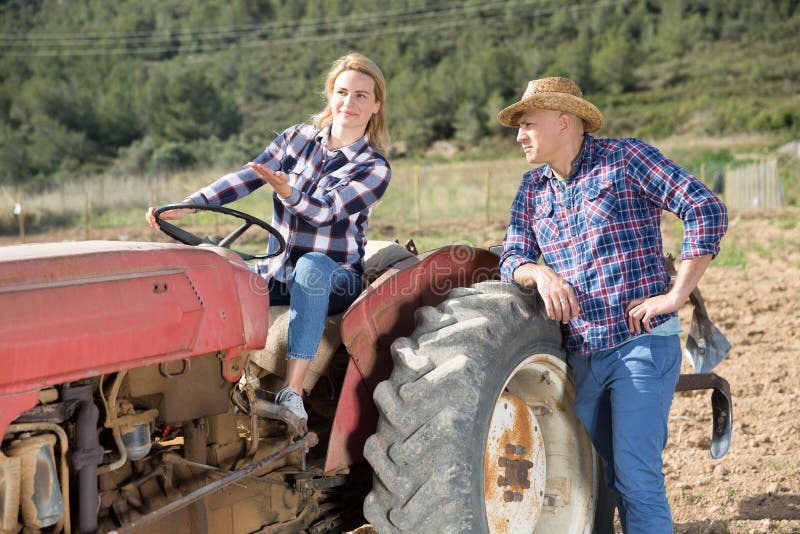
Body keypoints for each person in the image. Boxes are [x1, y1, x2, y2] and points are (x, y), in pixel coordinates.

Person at [496, 77, 727, 533]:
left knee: (638, 478)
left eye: (527, 124)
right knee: (603, 481)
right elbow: (512, 257)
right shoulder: (532, 188)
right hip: (582, 354)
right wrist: (539, 272)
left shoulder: (626, 159)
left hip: (640, 343)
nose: (519, 136)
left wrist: (676, 295)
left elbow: (704, 208)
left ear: (564, 121)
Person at [146, 52, 391, 423]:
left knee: (311, 266)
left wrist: (289, 193)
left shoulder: (374, 167)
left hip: (336, 278)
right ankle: (202, 386)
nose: (349, 102)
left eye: (361, 95)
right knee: (218, 268)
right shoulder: (296, 138)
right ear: (330, 95)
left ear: (376, 105)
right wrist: (192, 204)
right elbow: (248, 176)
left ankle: (292, 395)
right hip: (279, 272)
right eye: (342, 92)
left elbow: (325, 212)